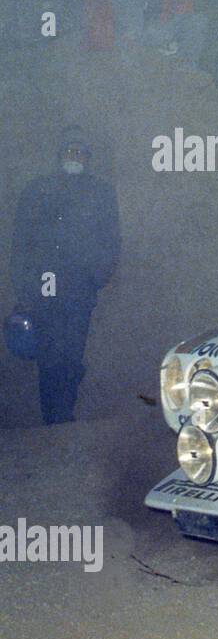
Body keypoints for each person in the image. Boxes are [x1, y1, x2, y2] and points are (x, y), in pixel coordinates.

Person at [9, 127, 121, 424]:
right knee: (49, 350)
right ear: (59, 156)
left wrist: (99, 275)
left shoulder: (100, 192)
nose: (74, 157)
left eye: (80, 152)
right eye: (69, 151)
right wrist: (23, 287)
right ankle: (53, 416)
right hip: (45, 283)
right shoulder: (39, 190)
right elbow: (22, 241)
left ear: (88, 158)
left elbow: (111, 238)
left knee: (72, 348)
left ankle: (65, 408)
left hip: (80, 284)